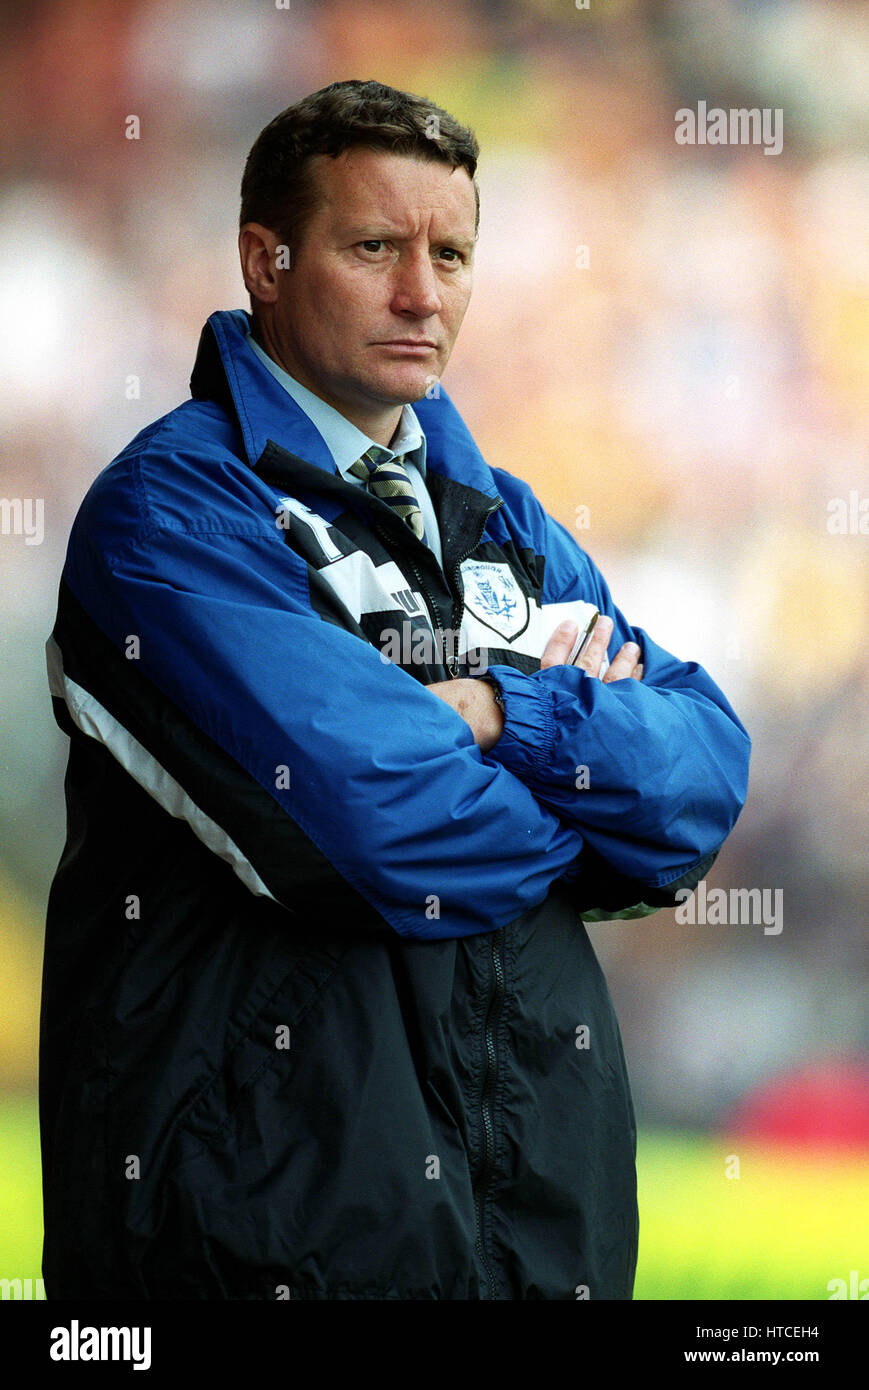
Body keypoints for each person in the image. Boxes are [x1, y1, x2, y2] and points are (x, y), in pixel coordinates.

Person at [40, 79, 751, 1301]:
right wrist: (586, 811)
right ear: (265, 260)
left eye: (452, 254)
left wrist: (495, 716)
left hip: (536, 1221)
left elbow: (698, 783)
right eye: (375, 247)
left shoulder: (508, 518)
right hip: (267, 1232)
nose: (424, 294)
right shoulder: (170, 513)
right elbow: (381, 829)